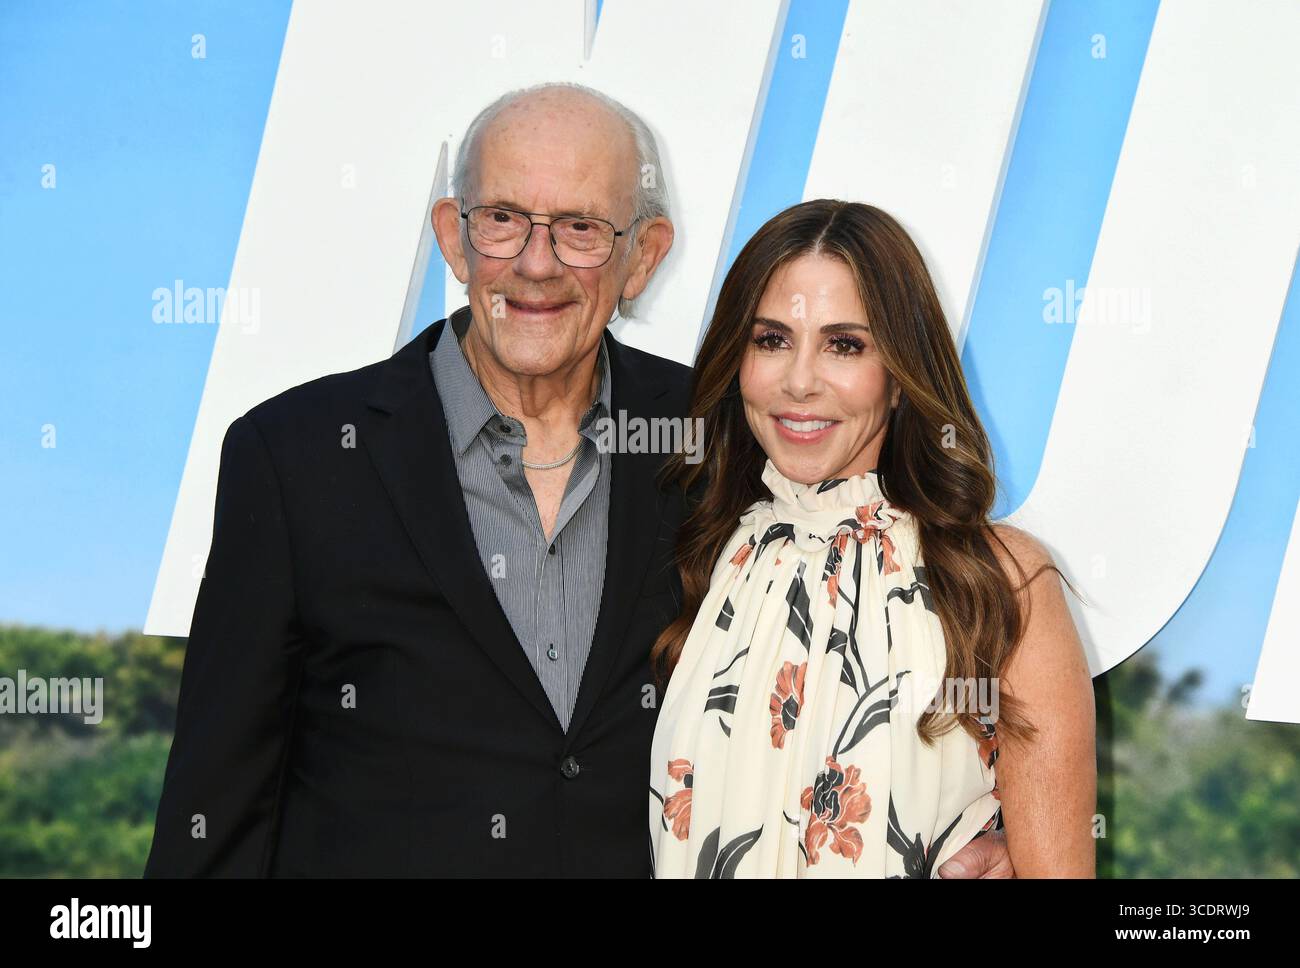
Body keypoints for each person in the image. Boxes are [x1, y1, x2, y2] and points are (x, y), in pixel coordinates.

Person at [144, 82, 1014, 877]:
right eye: (503, 220)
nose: (536, 263)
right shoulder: (295, 457)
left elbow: (873, 624)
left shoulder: (723, 433)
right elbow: (216, 808)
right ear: (452, 236)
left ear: (643, 256)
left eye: (581, 229)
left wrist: (998, 834)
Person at [649, 199, 1096, 877]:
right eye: (771, 339)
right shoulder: (705, 555)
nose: (799, 380)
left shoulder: (1000, 582)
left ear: (898, 378)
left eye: (844, 344)